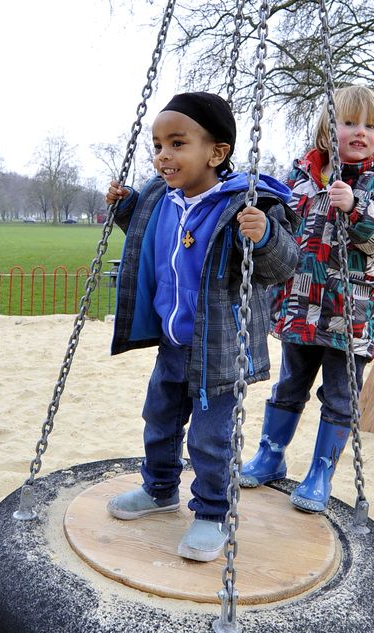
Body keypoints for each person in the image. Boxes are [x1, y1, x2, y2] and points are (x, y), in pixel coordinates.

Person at [105, 91, 301, 562]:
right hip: (174, 345)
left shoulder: (245, 204)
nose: (162, 155)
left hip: (220, 348)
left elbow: (284, 264)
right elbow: (147, 233)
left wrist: (266, 235)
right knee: (160, 419)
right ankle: (160, 490)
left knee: (211, 438)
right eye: (157, 145)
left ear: (216, 153)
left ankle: (212, 514)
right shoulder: (160, 197)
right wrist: (126, 206)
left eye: (177, 143)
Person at [240, 85, 374, 512]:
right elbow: (280, 233)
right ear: (325, 130)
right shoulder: (299, 182)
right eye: (349, 122)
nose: (360, 132)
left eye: (370, 126)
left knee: (339, 396)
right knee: (288, 385)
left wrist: (356, 207)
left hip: (350, 313)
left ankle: (320, 472)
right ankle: (271, 455)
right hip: (300, 306)